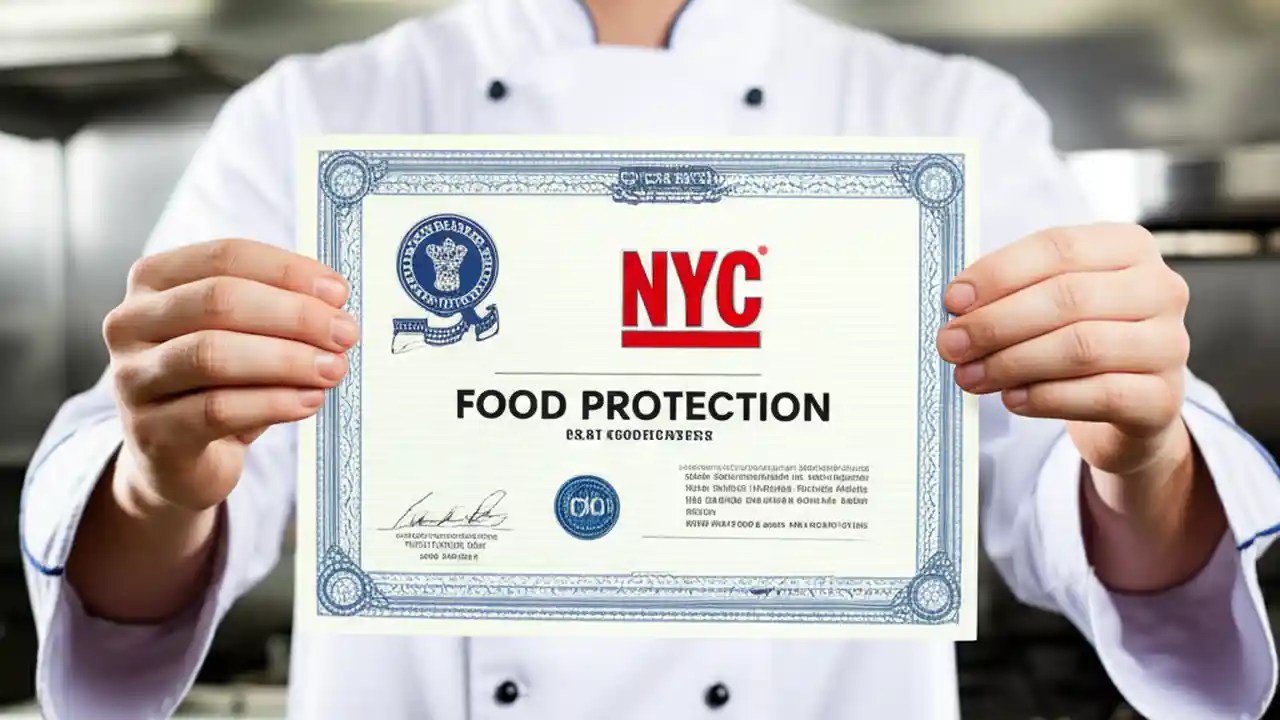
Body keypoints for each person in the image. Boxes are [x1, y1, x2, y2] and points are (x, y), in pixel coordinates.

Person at [19, 0, 1280, 717]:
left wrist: (1140, 444)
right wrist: (158, 481)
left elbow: (1106, 530)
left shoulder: (944, 120)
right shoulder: (308, 115)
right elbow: (126, 581)